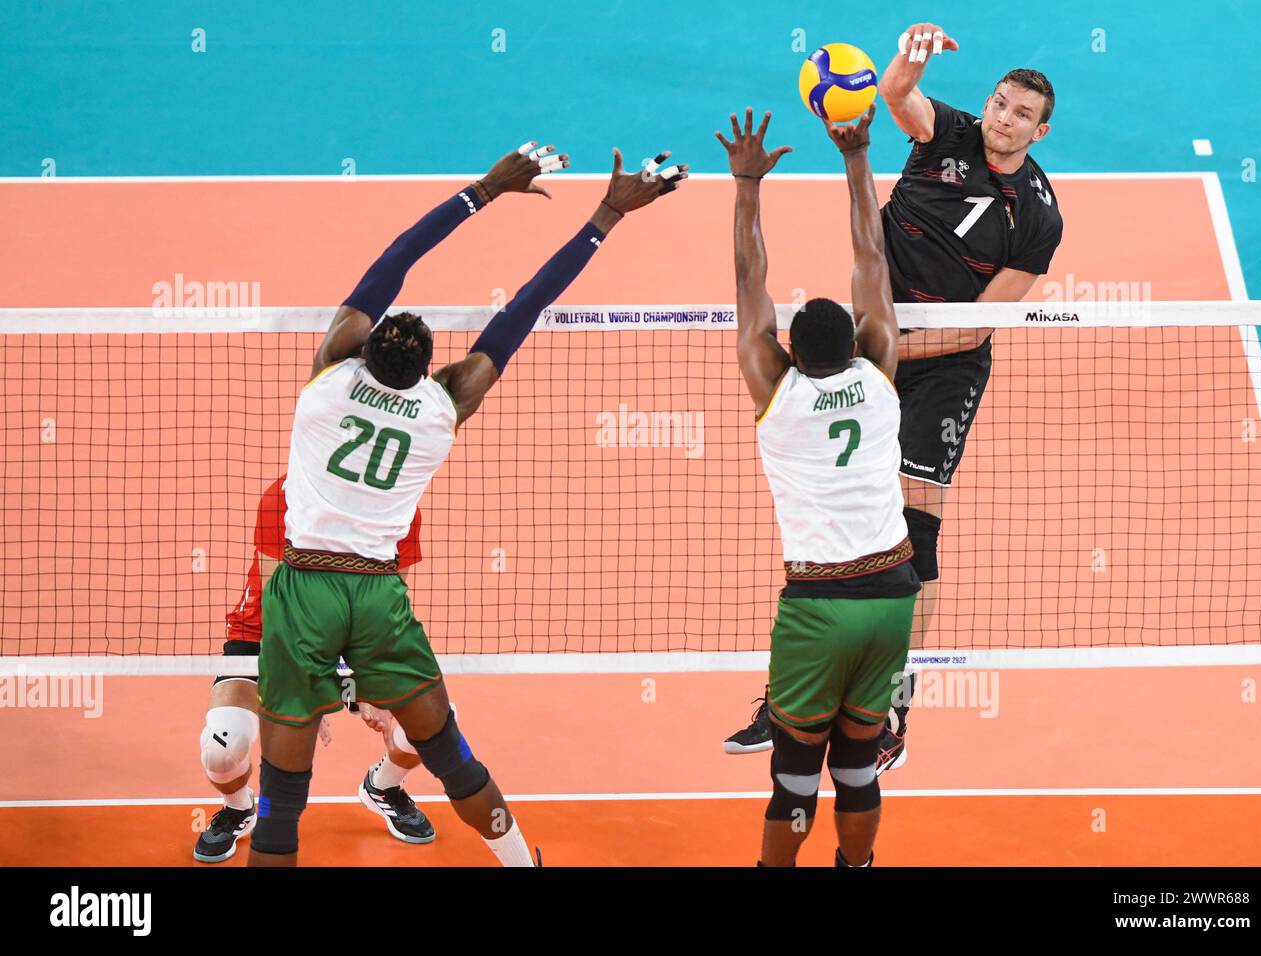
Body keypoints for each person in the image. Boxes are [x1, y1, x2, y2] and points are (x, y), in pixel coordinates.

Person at [247, 141, 685, 866]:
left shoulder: (328, 375)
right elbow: (524, 309)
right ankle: (519, 861)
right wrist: (606, 215)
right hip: (378, 598)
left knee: (281, 792)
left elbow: (394, 260)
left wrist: (483, 190)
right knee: (448, 752)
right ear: (429, 368)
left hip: (305, 592)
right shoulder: (444, 407)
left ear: (360, 346)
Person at [726, 25, 1064, 772]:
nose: (1002, 119)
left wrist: (872, 358)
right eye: (999, 104)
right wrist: (906, 63)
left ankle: (893, 701)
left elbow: (980, 328)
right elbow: (898, 97)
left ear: (1042, 131)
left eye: (1019, 115)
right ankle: (793, 694)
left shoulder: (1039, 218)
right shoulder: (948, 133)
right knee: (839, 517)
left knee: (917, 535)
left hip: (940, 366)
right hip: (872, 337)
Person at [718, 105, 919, 866]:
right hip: (894, 592)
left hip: (821, 603)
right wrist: (859, 156)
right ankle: (857, 865)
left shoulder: (776, 390)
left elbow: (750, 279)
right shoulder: (880, 374)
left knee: (795, 777)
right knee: (859, 767)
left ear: (790, 350)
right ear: (860, 342)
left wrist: (746, 185)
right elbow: (872, 254)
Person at [194, 476, 433, 863]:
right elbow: (278, 613)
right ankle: (238, 807)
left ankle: (384, 787)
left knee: (427, 720)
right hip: (264, 638)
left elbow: (384, 613)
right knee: (222, 746)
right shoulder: (285, 498)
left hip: (350, 641)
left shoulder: (400, 509)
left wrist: (368, 683)